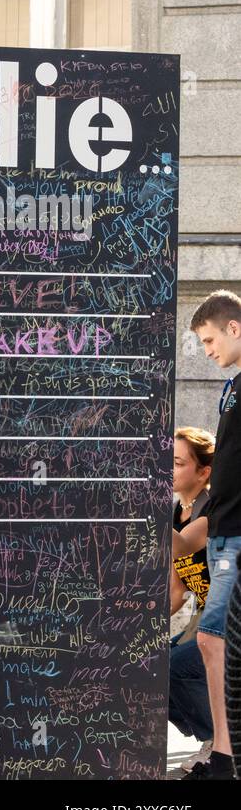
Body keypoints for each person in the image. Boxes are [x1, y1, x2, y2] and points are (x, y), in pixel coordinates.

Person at [188, 289, 241, 779]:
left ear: (234, 328)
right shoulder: (231, 388)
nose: (207, 351)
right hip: (223, 532)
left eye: (209, 340)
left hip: (237, 537)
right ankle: (223, 755)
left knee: (212, 639)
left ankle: (225, 758)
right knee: (215, 642)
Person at [168, 427, 214, 774]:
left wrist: (134, 502)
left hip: (229, 620)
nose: (168, 469)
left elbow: (182, 545)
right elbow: (175, 592)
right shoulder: (174, 513)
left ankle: (218, 742)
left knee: (176, 666)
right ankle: (208, 733)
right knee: (148, 662)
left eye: (178, 463)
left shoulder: (215, 509)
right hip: (206, 617)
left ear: (203, 472)